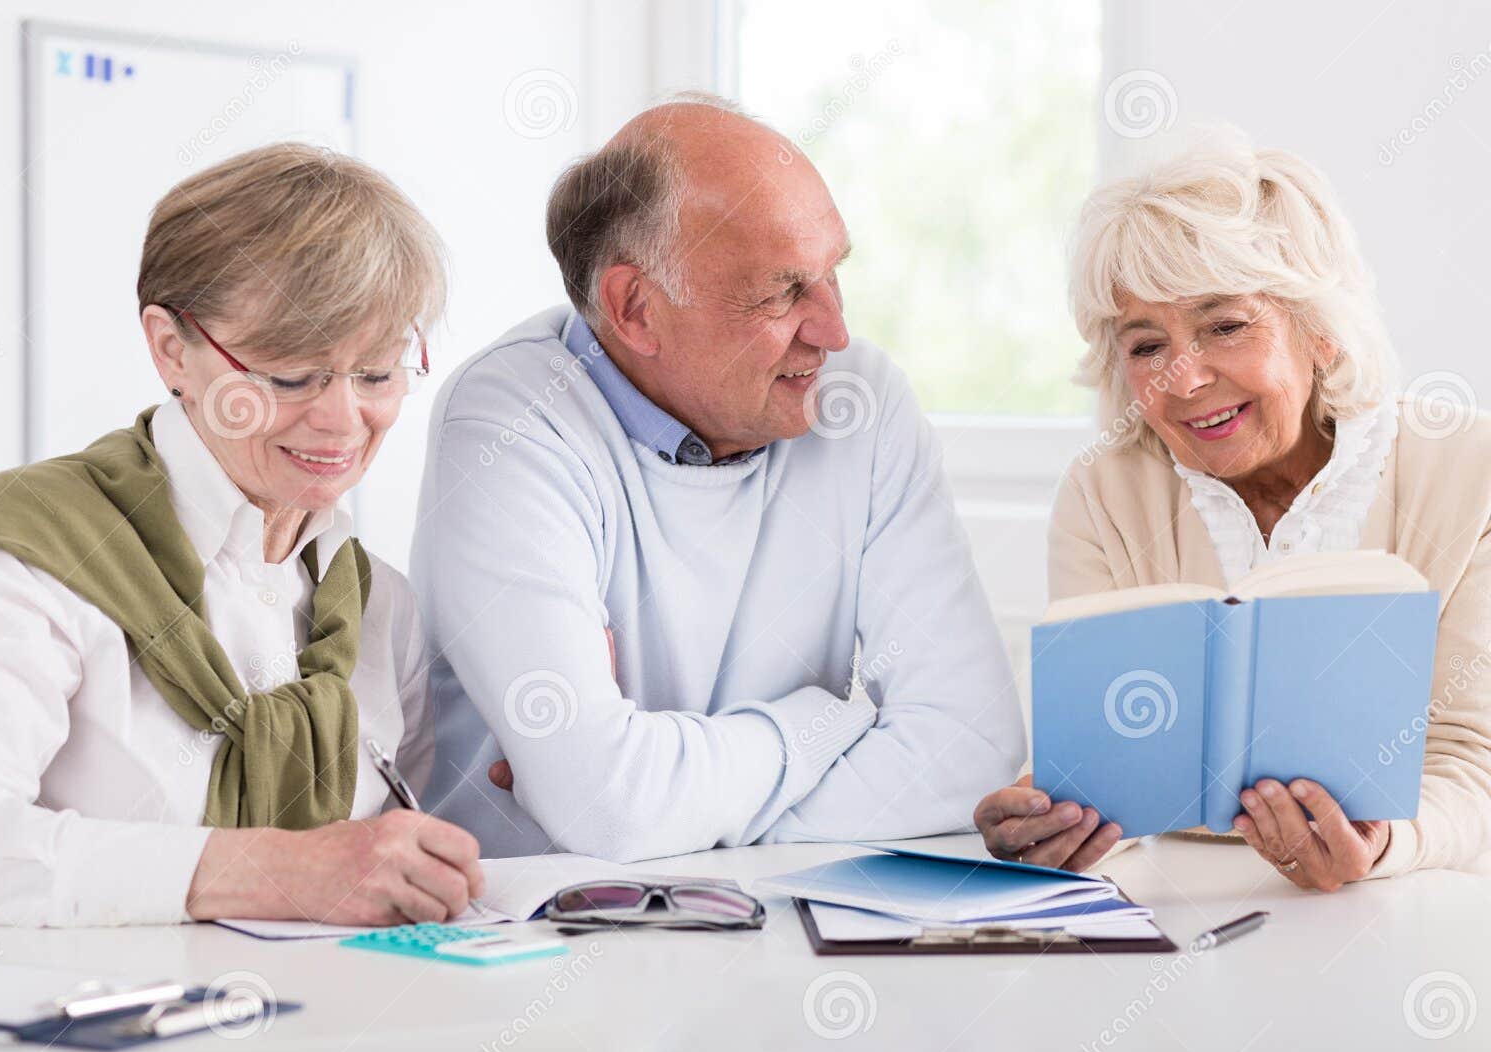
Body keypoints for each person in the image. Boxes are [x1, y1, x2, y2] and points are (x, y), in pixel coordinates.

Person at [412, 95, 1026, 862]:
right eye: (780, 292)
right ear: (634, 308)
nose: (833, 331)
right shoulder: (511, 417)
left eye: (834, 273)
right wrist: (830, 719)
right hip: (538, 938)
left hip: (776, 926)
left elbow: (971, 747)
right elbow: (611, 810)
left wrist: (664, 805)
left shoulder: (855, 400)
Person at [0, 143, 483, 926]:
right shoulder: (40, 556)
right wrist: (273, 871)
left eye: (377, 373)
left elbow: (400, 852)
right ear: (173, 348)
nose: (343, 419)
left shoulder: (378, 606)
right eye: (290, 375)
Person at [975, 135, 1491, 890]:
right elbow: (1103, 760)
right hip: (1179, 908)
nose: (1183, 379)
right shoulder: (1102, 494)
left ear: (1319, 328)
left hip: (1408, 909)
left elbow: (1472, 761)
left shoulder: (1468, 470)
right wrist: (1053, 817)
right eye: (1147, 345)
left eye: (1224, 326)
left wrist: (1381, 843)